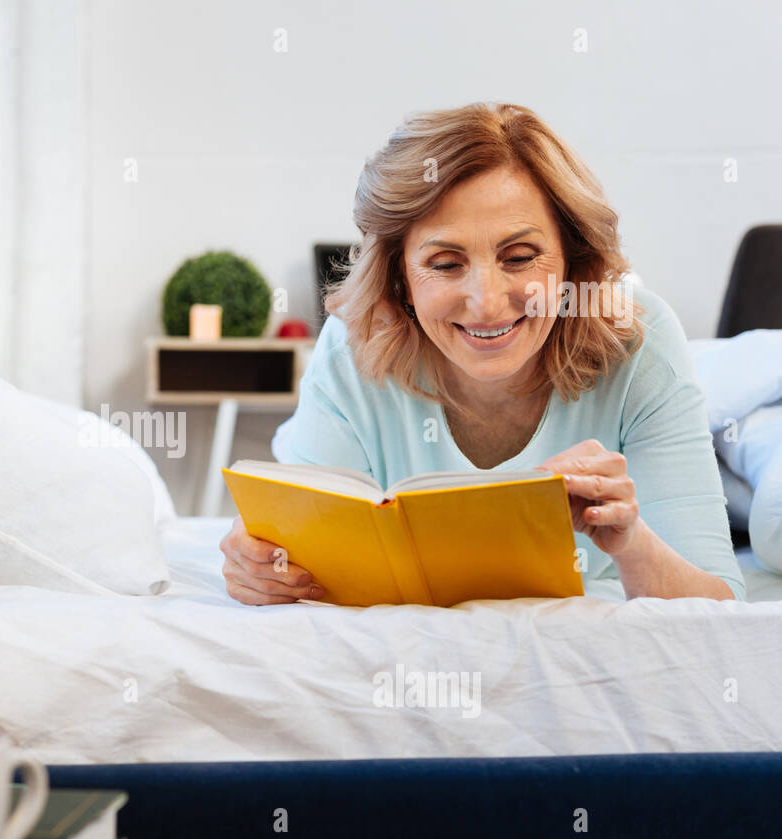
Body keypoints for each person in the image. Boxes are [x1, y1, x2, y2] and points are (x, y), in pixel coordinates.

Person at [220, 102, 742, 605]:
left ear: (573, 259)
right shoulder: (356, 339)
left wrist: (632, 544)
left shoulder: (640, 340)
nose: (488, 303)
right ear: (400, 277)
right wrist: (263, 568)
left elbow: (721, 603)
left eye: (520, 257)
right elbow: (300, 557)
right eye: (446, 264)